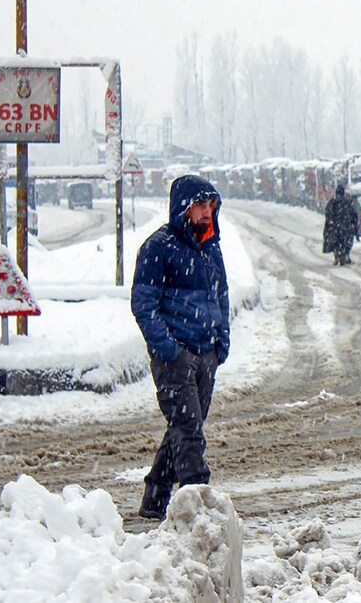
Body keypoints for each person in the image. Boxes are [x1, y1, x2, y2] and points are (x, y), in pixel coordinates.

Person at [131, 175, 230, 521]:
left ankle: (154, 499)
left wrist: (221, 342)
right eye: (200, 205)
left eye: (210, 206)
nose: (206, 212)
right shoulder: (158, 248)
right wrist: (170, 350)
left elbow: (221, 296)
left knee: (184, 428)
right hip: (175, 359)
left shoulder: (210, 247)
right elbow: (143, 305)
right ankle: (199, 510)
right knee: (189, 434)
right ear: (183, 208)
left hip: (206, 354)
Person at [323, 184, 361, 265]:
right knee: (346, 242)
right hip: (346, 228)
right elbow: (354, 215)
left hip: (334, 228)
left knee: (335, 243)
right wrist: (354, 225)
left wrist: (331, 223)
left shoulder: (332, 202)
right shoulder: (347, 202)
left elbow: (328, 213)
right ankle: (346, 255)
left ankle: (337, 255)